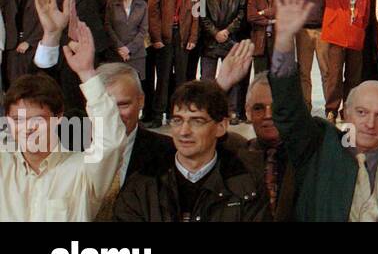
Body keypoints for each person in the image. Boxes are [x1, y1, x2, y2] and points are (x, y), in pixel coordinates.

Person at [268, 0, 378, 221]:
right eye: (362, 112)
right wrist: (284, 41)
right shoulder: (318, 148)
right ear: (346, 113)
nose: (370, 123)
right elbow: (289, 113)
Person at [1, 5, 125, 221]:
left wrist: (87, 73)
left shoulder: (82, 170)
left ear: (58, 118)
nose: (26, 128)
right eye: (16, 120)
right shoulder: (4, 165)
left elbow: (112, 142)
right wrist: (50, 37)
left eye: (36, 120)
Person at [113, 79, 268, 222]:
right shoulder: (142, 184)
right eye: (177, 120)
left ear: (221, 126)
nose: (184, 131)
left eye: (197, 121)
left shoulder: (248, 185)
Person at [214, 42, 295, 221]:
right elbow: (199, 129)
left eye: (276, 108)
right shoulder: (234, 150)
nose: (268, 115)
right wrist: (220, 85)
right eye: (259, 108)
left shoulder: (308, 154)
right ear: (248, 111)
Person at [93, 62, 175, 220]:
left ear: (141, 101)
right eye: (106, 106)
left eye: (123, 105)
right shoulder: (73, 145)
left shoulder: (167, 151)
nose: (114, 115)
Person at [315, 0, 373, 123]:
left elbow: (366, 16)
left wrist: (360, 30)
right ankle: (331, 109)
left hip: (355, 39)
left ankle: (348, 109)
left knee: (353, 77)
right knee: (334, 75)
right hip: (336, 38)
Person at [146, 0, 198, 127]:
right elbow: (153, 14)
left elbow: (197, 14)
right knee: (163, 78)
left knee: (181, 78)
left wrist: (193, 36)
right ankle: (157, 115)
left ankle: (175, 114)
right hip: (165, 37)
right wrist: (156, 37)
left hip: (183, 36)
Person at [197, 0, 246, 116]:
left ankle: (231, 111)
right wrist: (215, 32)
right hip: (209, 41)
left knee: (232, 78)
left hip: (231, 40)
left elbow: (241, 14)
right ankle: (207, 110)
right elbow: (201, 16)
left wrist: (227, 31)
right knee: (207, 79)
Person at [105, 0, 150, 80]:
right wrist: (120, 47)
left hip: (136, 54)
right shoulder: (112, 3)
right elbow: (108, 25)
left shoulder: (142, 5)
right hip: (116, 52)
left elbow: (143, 30)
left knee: (136, 86)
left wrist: (129, 49)